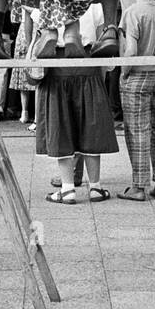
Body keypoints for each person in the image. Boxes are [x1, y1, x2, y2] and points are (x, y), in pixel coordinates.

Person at [39, 41, 120, 206]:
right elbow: (101, 43)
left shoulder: (52, 13)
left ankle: (68, 189)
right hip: (89, 67)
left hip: (58, 68)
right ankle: (95, 187)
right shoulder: (94, 12)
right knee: (91, 128)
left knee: (61, 128)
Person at [116, 0, 155, 201]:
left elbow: (131, 50)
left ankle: (139, 186)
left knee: (137, 132)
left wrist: (123, 72)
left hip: (138, 75)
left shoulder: (132, 12)